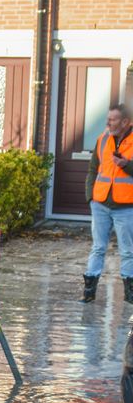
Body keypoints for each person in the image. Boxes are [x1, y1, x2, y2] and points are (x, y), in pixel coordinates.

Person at [82, 103, 133, 303]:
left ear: (125, 122)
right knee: (98, 247)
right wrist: (90, 197)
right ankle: (88, 293)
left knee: (128, 251)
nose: (108, 122)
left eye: (113, 119)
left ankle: (130, 296)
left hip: (126, 207)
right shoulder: (102, 139)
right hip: (100, 204)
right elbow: (93, 169)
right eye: (108, 118)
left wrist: (127, 165)